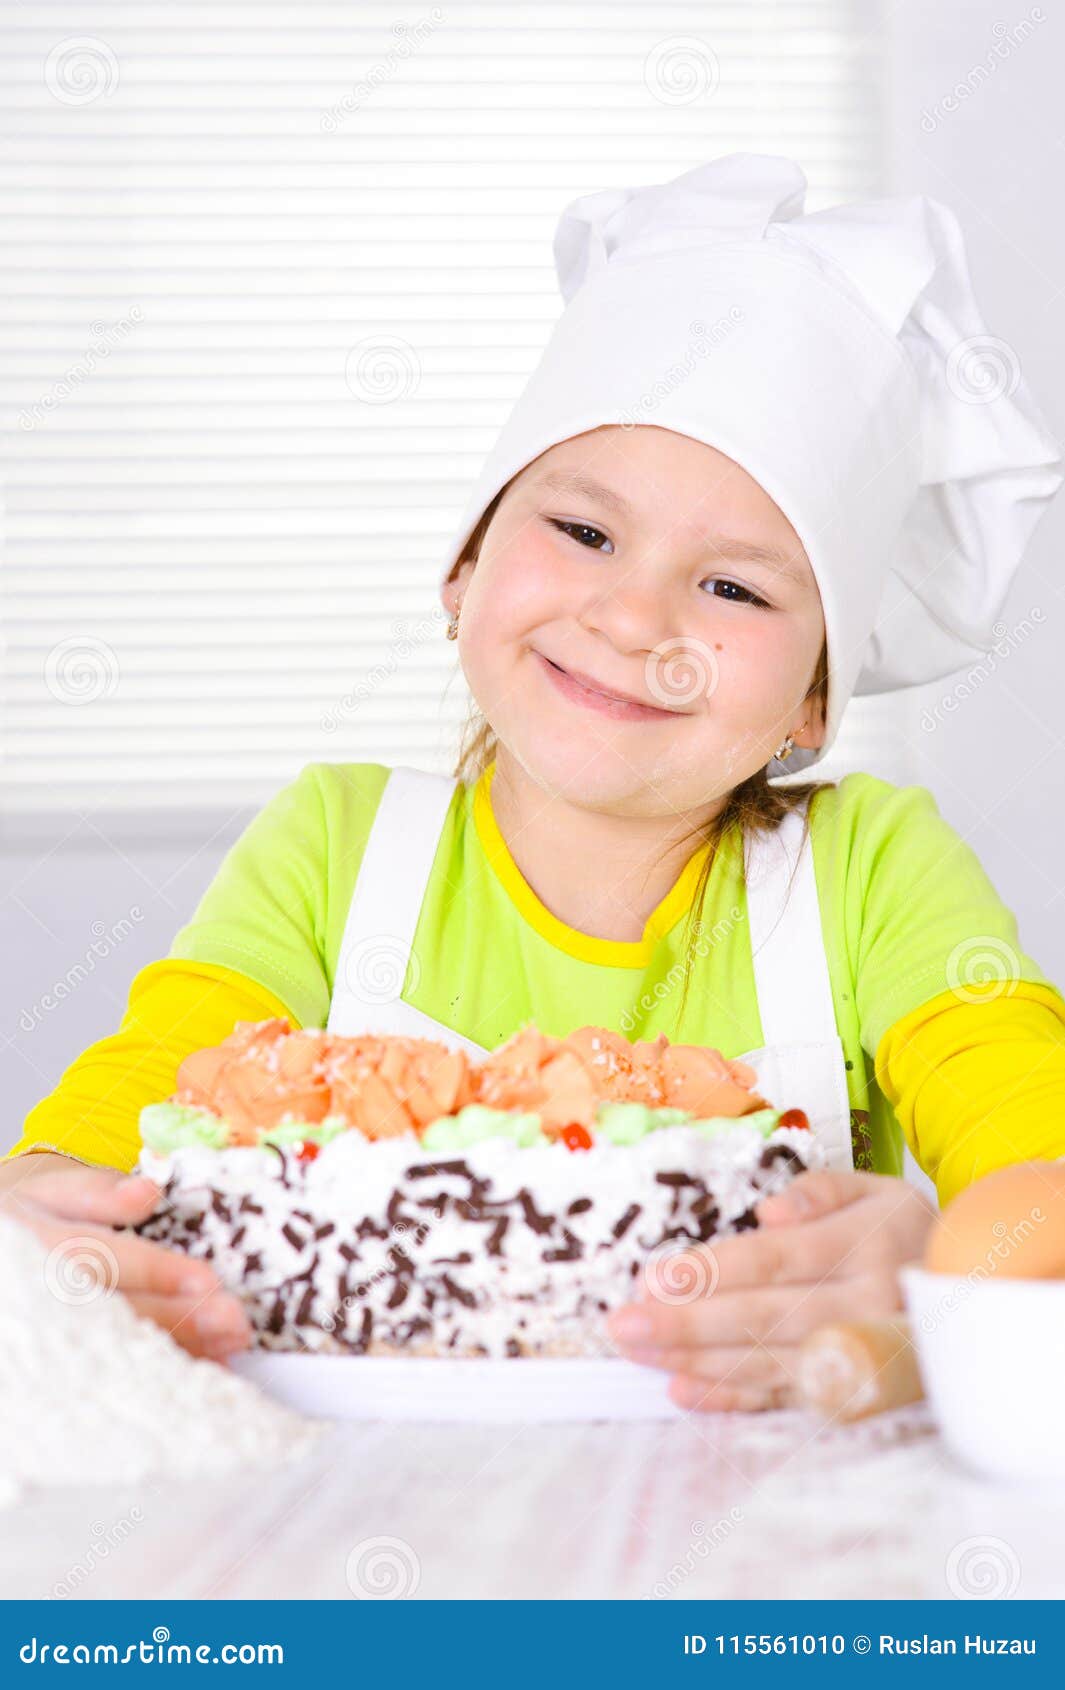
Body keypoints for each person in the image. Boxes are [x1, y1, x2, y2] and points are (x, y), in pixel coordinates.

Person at [5, 154, 1065, 1412]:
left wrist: (922, 1284)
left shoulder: (876, 870)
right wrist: (48, 1235)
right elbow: (99, 1147)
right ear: (464, 567)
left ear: (815, 701)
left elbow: (1039, 1170)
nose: (631, 617)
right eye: (584, 530)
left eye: (735, 586)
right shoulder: (333, 846)